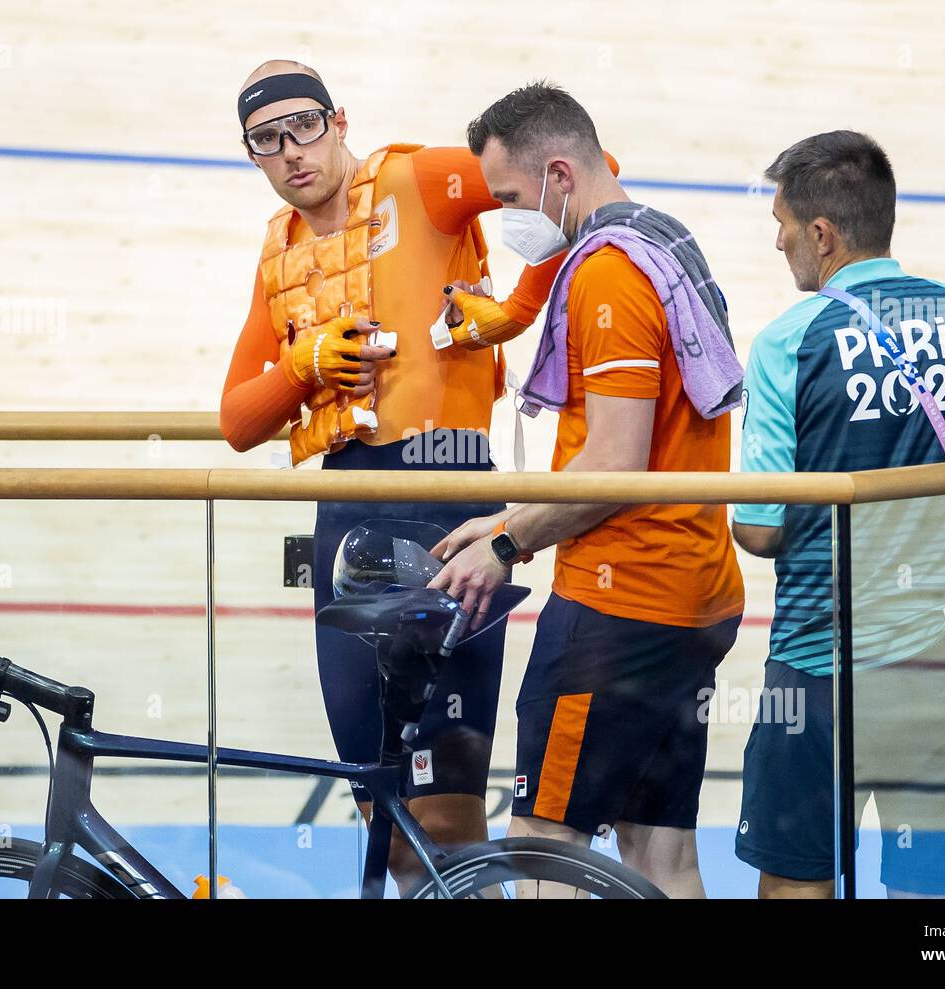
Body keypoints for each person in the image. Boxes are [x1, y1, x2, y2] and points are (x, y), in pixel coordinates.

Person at [218, 61, 614, 889]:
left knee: (450, 817)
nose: (291, 151)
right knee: (384, 810)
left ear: (339, 120)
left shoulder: (414, 179)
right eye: (266, 140)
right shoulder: (281, 250)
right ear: (251, 153)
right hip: (348, 513)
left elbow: (574, 174)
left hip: (446, 499)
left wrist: (518, 307)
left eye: (305, 127)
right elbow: (238, 421)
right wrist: (304, 366)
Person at [430, 81, 746, 897]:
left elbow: (612, 462)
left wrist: (506, 542)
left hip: (621, 606)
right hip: (693, 595)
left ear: (560, 174)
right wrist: (511, 515)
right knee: (660, 850)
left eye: (508, 197)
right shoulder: (666, 238)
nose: (506, 217)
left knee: (543, 842)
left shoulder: (609, 274)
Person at [732, 130, 945, 898]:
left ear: (823, 233)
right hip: (944, 664)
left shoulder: (789, 340)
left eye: (781, 223)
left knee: (797, 885)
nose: (777, 238)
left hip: (821, 664)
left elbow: (759, 526)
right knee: (929, 893)